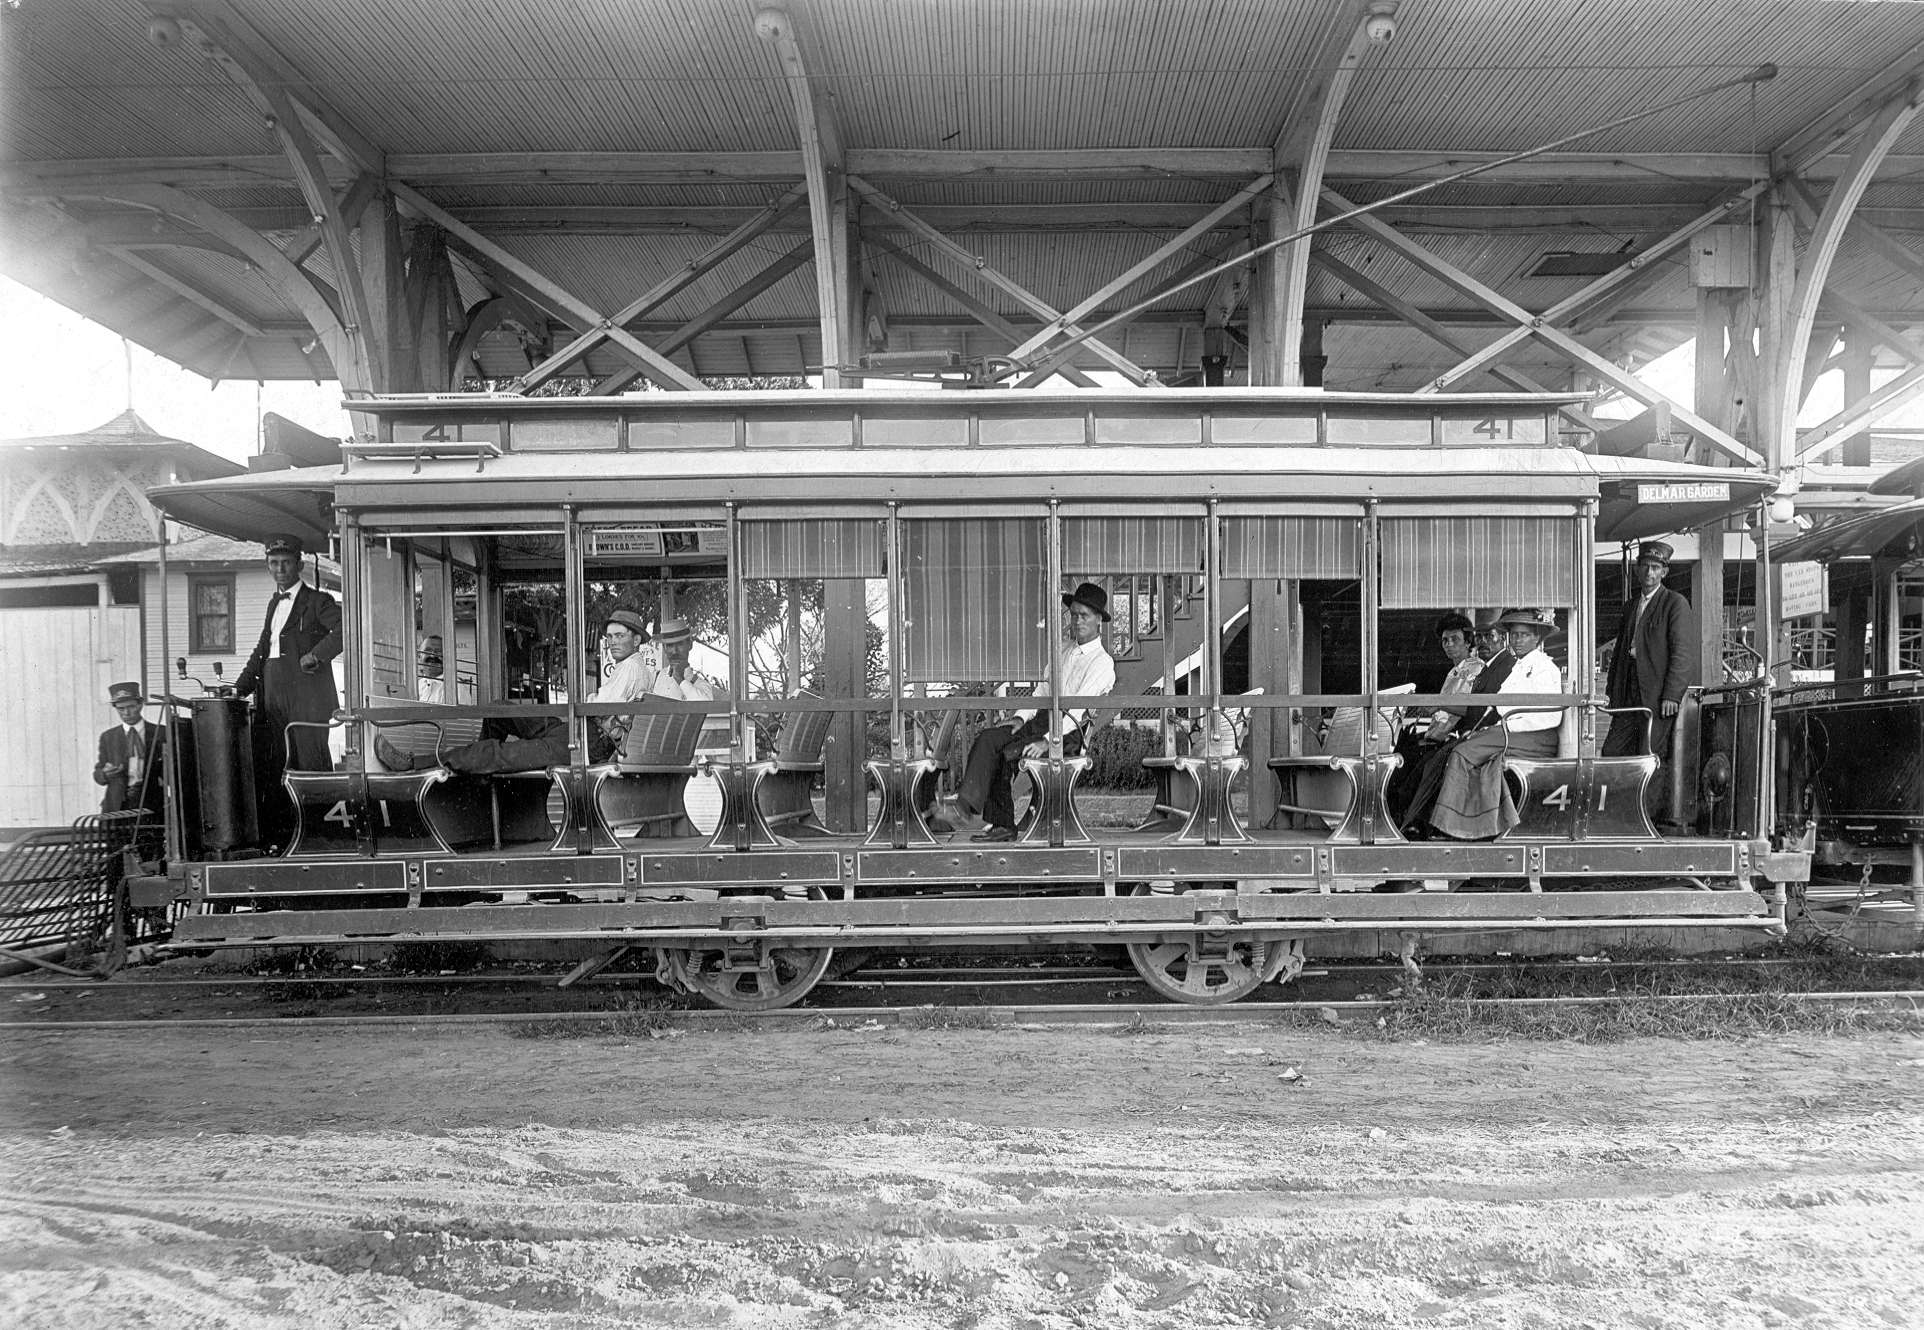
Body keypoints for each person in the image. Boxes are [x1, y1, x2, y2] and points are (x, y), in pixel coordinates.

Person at [952, 582, 1117, 843]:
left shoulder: (1102, 662)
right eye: (1073, 614)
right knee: (991, 738)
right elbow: (1042, 691)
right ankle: (964, 806)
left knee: (1007, 754)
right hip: (1041, 720)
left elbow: (1078, 709)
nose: (1077, 621)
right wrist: (1020, 717)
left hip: (1069, 729)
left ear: (1099, 620)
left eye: (1084, 615)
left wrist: (1049, 740)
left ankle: (1001, 823)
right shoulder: (1062, 649)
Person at [1416, 607, 1565, 840]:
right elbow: (1501, 704)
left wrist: (1508, 726)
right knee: (1466, 746)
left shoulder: (1546, 669)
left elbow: (1551, 717)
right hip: (1511, 731)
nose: (1517, 640)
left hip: (1536, 737)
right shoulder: (1519, 667)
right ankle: (1465, 825)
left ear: (1537, 638)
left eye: (1524, 635)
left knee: (1462, 753)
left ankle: (1455, 828)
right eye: (1514, 635)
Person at [235, 534, 341, 786]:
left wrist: (317, 655)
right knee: (278, 766)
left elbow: (346, 627)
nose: (280, 569)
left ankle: (321, 824)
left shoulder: (317, 601)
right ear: (267, 565)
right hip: (272, 695)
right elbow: (262, 651)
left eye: (286, 562)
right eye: (274, 562)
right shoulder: (274, 604)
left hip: (307, 699)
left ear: (299, 565)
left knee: (311, 766)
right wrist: (237, 689)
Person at [1385, 613, 1482, 825]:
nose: (1449, 645)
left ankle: (1406, 823)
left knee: (1405, 771)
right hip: (1436, 737)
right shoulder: (1454, 673)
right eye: (1445, 640)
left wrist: (1438, 704)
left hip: (1453, 740)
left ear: (1468, 642)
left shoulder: (1476, 670)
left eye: (1455, 639)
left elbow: (1470, 710)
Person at [1603, 540, 1689, 761]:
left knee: (1648, 755)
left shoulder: (1674, 603)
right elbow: (1619, 655)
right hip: (1627, 695)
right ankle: (1623, 797)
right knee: (1612, 752)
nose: (1650, 572)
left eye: (1656, 568)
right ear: (1636, 569)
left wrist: (1672, 694)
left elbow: (1682, 654)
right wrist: (1612, 693)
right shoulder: (1630, 606)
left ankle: (1647, 798)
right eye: (1645, 566)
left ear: (1664, 572)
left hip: (1657, 696)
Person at [377, 713, 568, 775]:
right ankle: (479, 773)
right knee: (498, 710)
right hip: (573, 728)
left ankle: (412, 764)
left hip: (585, 740)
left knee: (493, 753)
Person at [93, 680, 164, 817]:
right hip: (117, 806)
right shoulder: (108, 737)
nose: (126, 713)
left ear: (140, 705)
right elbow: (98, 772)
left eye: (131, 707)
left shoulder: (160, 733)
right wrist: (105, 773)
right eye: (121, 709)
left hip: (152, 804)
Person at [649, 616, 717, 702]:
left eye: (680, 644)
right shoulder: (655, 678)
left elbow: (705, 707)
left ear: (689, 645)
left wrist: (680, 680)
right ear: (664, 648)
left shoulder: (701, 685)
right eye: (670, 646)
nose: (674, 651)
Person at [416, 634, 446, 703]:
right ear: (419, 655)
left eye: (439, 651)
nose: (432, 655)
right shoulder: (416, 687)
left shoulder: (456, 690)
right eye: (428, 651)